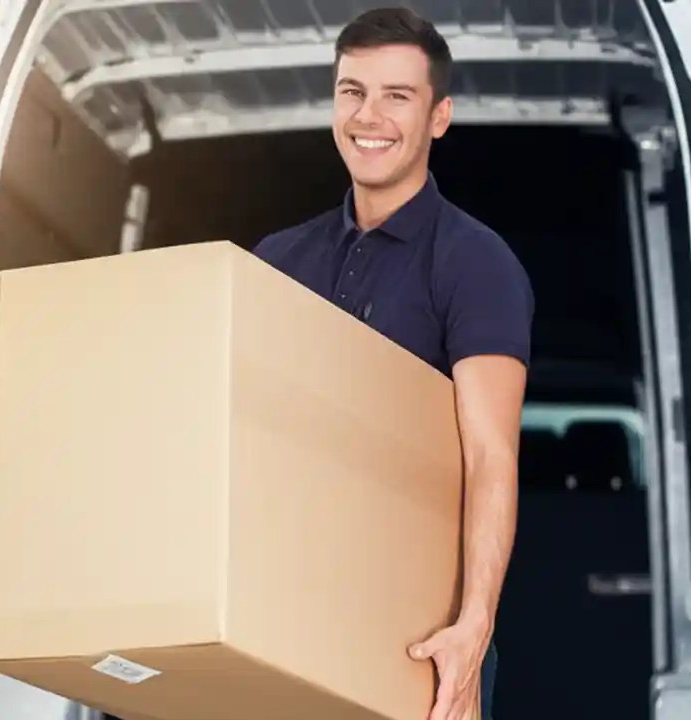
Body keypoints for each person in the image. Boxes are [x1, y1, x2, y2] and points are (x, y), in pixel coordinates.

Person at [253, 7, 533, 720]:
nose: (367, 115)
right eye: (352, 91)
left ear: (439, 116)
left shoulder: (475, 263)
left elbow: (491, 458)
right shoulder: (276, 260)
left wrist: (474, 630)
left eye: (396, 96)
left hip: (417, 638)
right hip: (279, 609)